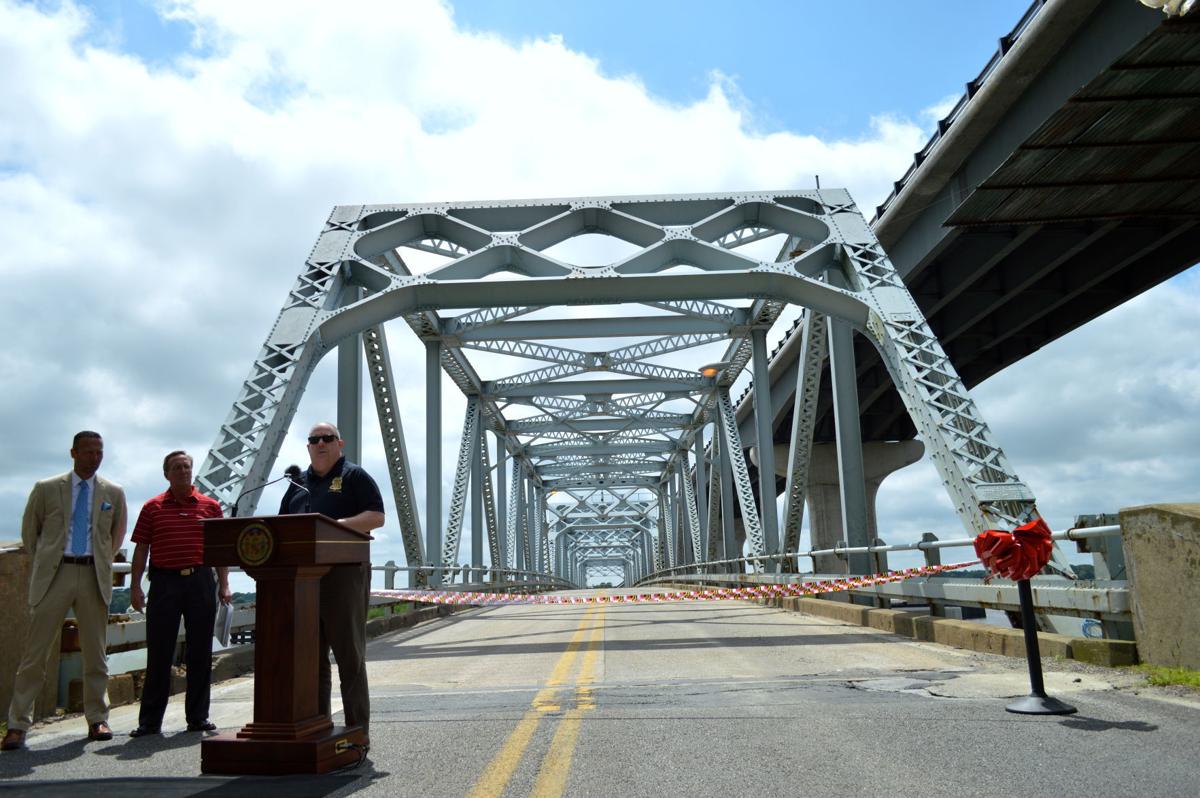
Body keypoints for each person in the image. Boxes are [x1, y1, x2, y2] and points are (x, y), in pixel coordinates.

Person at [2, 431, 128, 751]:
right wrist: (48, 562)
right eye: (88, 451)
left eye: (99, 451)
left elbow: (116, 535)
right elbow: (30, 533)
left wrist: (101, 560)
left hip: (93, 574)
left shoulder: (113, 491)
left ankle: (97, 718)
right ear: (73, 453)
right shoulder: (46, 488)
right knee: (35, 653)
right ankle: (17, 724)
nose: (94, 457)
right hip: (55, 574)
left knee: (95, 653)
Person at [278, 422, 383, 739]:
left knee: (350, 657)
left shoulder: (354, 476)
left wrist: (335, 526)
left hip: (344, 575)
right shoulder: (297, 483)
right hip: (303, 580)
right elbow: (281, 525)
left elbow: (376, 516)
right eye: (314, 439)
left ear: (340, 443)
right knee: (312, 660)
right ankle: (317, 729)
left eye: (327, 438)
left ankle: (357, 733)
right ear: (308, 446)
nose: (320, 443)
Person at [127, 450, 232, 737]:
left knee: (200, 652)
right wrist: (135, 587)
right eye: (177, 467)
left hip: (200, 581)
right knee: (159, 652)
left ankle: (198, 717)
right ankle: (150, 722)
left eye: (186, 466)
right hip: (164, 582)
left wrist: (224, 584)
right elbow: (141, 549)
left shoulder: (210, 506)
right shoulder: (152, 507)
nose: (183, 471)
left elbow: (220, 548)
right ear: (167, 474)